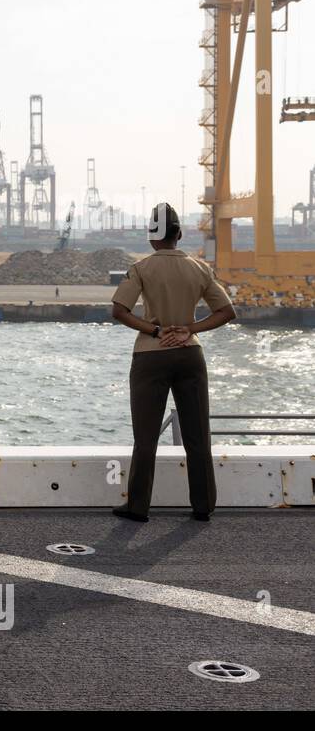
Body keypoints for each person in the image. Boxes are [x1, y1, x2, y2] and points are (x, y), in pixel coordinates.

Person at [111, 203, 235, 523]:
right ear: (179, 235)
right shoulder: (200, 269)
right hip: (190, 354)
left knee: (146, 437)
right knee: (198, 435)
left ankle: (138, 506)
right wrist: (190, 329)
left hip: (150, 355)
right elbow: (226, 312)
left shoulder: (141, 268)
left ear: (152, 238)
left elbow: (119, 311)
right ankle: (203, 505)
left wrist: (155, 330)